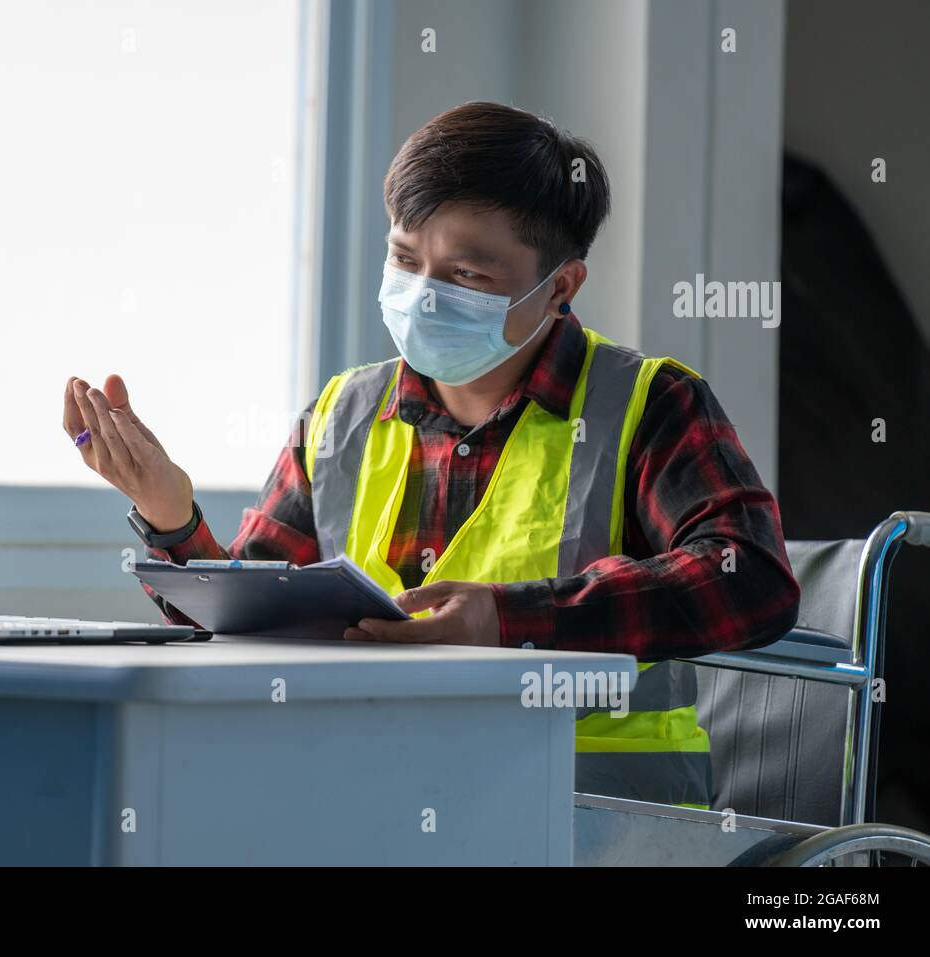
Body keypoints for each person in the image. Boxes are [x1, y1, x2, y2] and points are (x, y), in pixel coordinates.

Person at [63, 101, 800, 807]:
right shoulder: (342, 416)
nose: (422, 295)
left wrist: (511, 622)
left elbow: (753, 578)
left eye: (467, 275)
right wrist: (169, 513)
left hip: (601, 821)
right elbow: (250, 628)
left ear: (561, 287)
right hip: (378, 805)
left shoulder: (647, 405)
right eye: (404, 257)